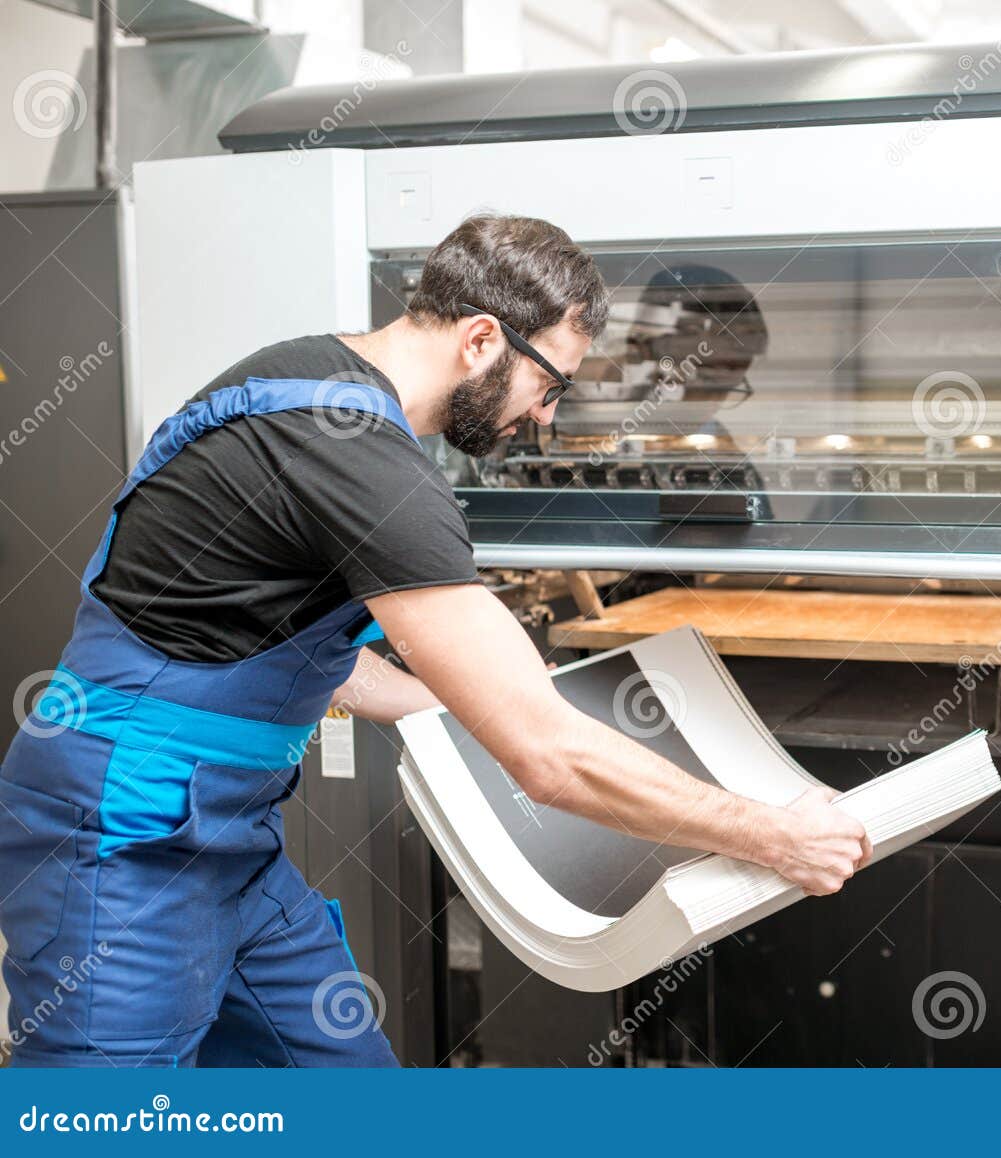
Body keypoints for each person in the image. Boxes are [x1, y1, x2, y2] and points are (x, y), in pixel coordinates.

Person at [0, 215, 870, 1068]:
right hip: (120, 833)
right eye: (551, 384)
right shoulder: (364, 461)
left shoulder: (303, 375)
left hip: (230, 836)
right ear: (484, 338)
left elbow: (284, 646)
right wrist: (773, 835)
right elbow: (547, 758)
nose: (544, 418)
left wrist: (472, 708)